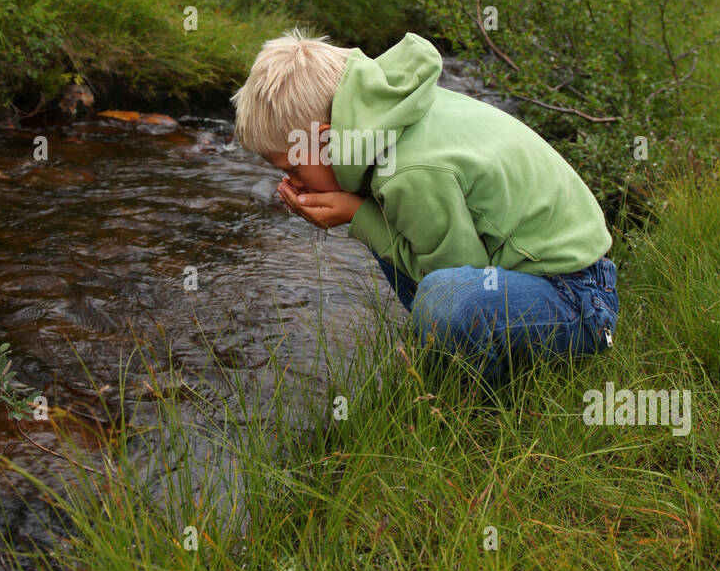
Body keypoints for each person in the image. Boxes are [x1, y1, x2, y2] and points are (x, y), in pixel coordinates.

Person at [231, 29, 618, 383]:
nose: (290, 182)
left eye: (292, 166)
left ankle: (480, 405)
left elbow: (455, 276)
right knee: (406, 250)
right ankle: (456, 360)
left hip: (576, 301)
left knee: (446, 302)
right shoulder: (393, 113)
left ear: (326, 141)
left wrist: (357, 216)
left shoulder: (408, 171)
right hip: (543, 280)